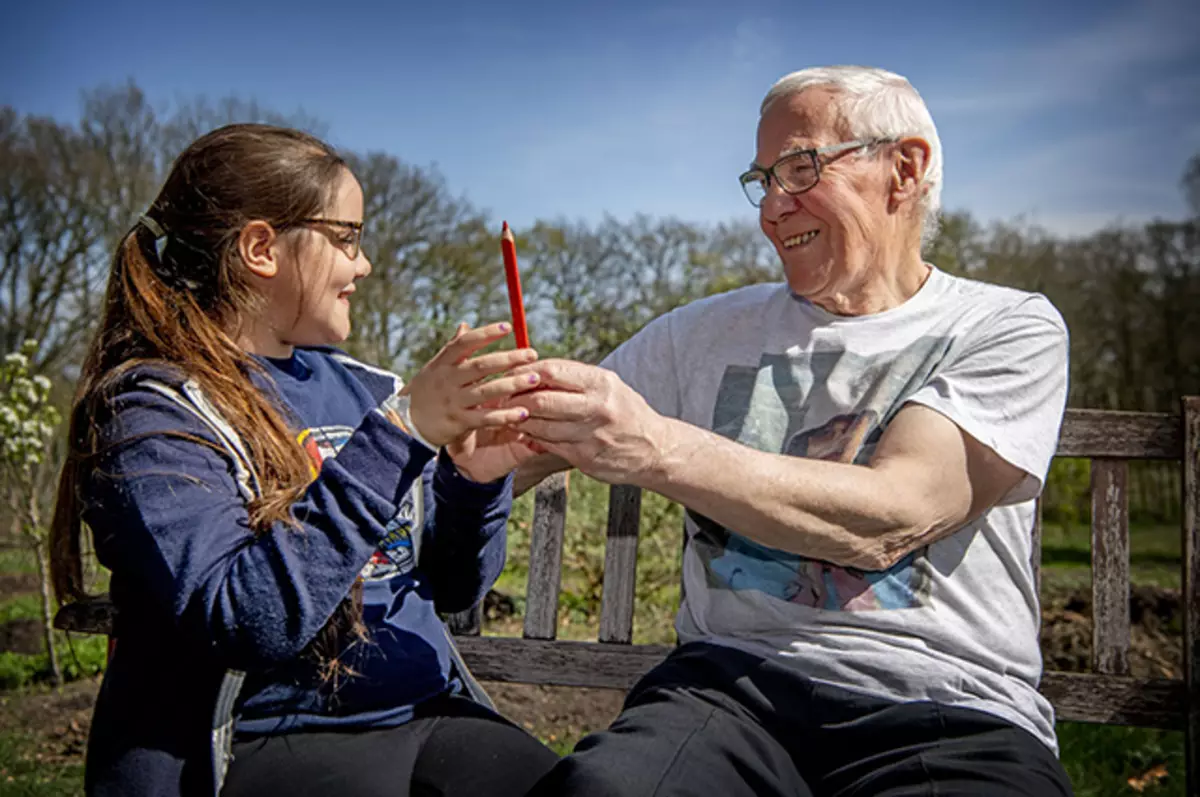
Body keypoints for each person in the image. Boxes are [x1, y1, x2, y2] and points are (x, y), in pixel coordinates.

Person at [511, 66, 1074, 796]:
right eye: (762, 178)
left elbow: (893, 514)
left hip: (949, 706)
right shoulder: (700, 332)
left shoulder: (1005, 327)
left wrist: (657, 446)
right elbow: (523, 443)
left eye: (802, 168)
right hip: (728, 687)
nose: (773, 207)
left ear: (904, 170)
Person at [48, 123, 558, 797]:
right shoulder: (150, 412)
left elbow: (454, 585)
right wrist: (401, 434)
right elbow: (250, 619)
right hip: (263, 739)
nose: (364, 263)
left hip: (430, 711)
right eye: (346, 238)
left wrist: (473, 482)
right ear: (262, 247)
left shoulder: (362, 386)